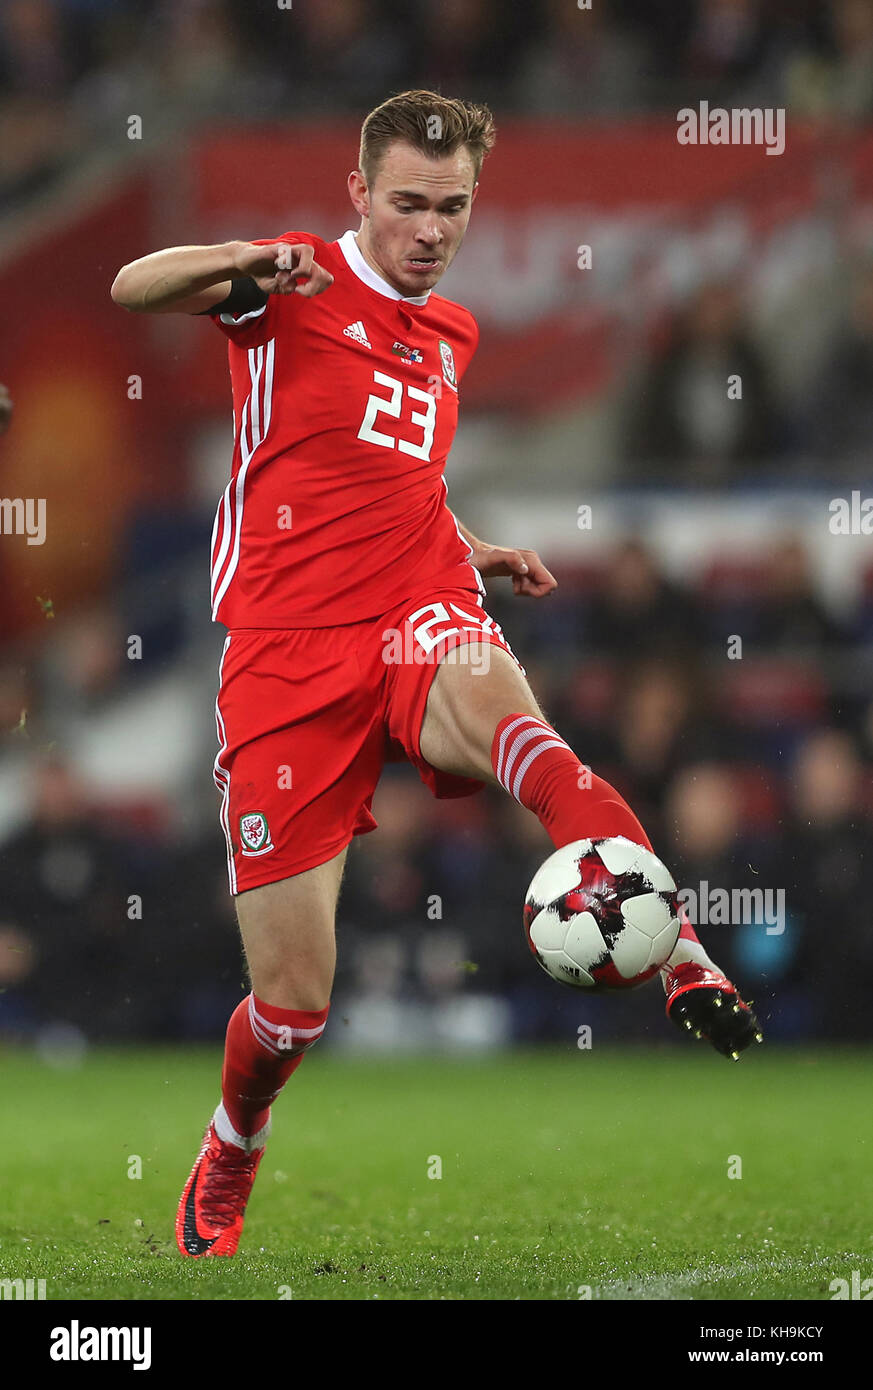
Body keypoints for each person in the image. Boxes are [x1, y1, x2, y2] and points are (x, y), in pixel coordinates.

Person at [110, 89, 761, 1260]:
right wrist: (244, 260)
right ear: (359, 193)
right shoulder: (290, 280)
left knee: (536, 747)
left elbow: (390, 480)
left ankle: (680, 953)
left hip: (421, 612)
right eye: (408, 202)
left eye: (452, 207)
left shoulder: (450, 333)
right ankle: (234, 1142)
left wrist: (470, 546)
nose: (430, 228)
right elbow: (132, 286)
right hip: (285, 655)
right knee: (294, 1005)